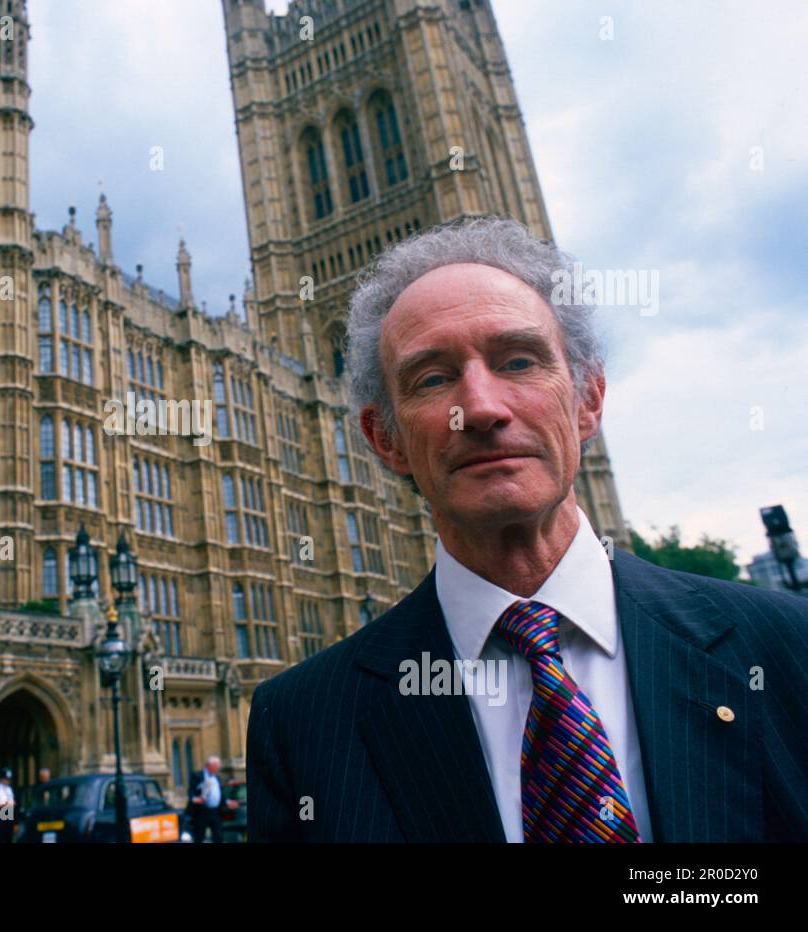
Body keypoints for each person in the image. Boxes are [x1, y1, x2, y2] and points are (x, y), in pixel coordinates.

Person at [247, 217, 808, 843]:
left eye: (518, 361)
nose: (482, 408)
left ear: (589, 399)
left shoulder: (786, 649)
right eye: (433, 379)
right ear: (385, 439)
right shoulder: (300, 724)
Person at [187, 756, 237, 843]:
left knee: (218, 836)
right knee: (199, 836)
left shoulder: (217, 778)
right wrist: (195, 799)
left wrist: (228, 802)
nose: (218, 768)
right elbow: (191, 791)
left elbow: (220, 794)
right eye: (217, 766)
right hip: (202, 811)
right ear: (210, 765)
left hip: (215, 811)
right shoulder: (197, 775)